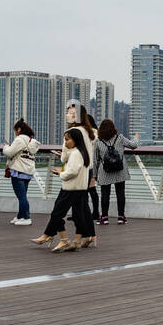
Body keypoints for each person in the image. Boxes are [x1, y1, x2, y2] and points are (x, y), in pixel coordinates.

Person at [32, 128, 92, 253]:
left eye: (67, 139)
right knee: (78, 215)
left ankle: (63, 239)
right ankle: (76, 241)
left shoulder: (75, 154)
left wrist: (61, 173)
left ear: (75, 140)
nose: (65, 142)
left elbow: (72, 172)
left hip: (70, 189)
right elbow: (70, 163)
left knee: (56, 214)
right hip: (80, 189)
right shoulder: (82, 152)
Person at [66, 102, 98, 246]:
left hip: (78, 169)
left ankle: (81, 237)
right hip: (87, 168)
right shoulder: (90, 132)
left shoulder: (76, 131)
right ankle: (90, 236)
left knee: (77, 204)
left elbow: (69, 154)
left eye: (71, 112)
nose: (68, 115)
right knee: (82, 204)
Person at [92, 119, 136, 225]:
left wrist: (94, 175)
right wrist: (136, 137)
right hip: (120, 170)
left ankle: (104, 217)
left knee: (105, 194)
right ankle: (121, 217)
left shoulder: (98, 142)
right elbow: (133, 145)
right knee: (120, 193)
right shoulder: (119, 138)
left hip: (105, 171)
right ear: (113, 128)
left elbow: (95, 160)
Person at [2, 118, 41, 225]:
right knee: (23, 195)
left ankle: (26, 218)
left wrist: (5, 147)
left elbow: (9, 153)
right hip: (28, 171)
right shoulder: (31, 141)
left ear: (19, 129)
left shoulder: (20, 139)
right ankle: (20, 216)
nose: (15, 133)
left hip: (18, 171)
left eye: (15, 130)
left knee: (21, 196)